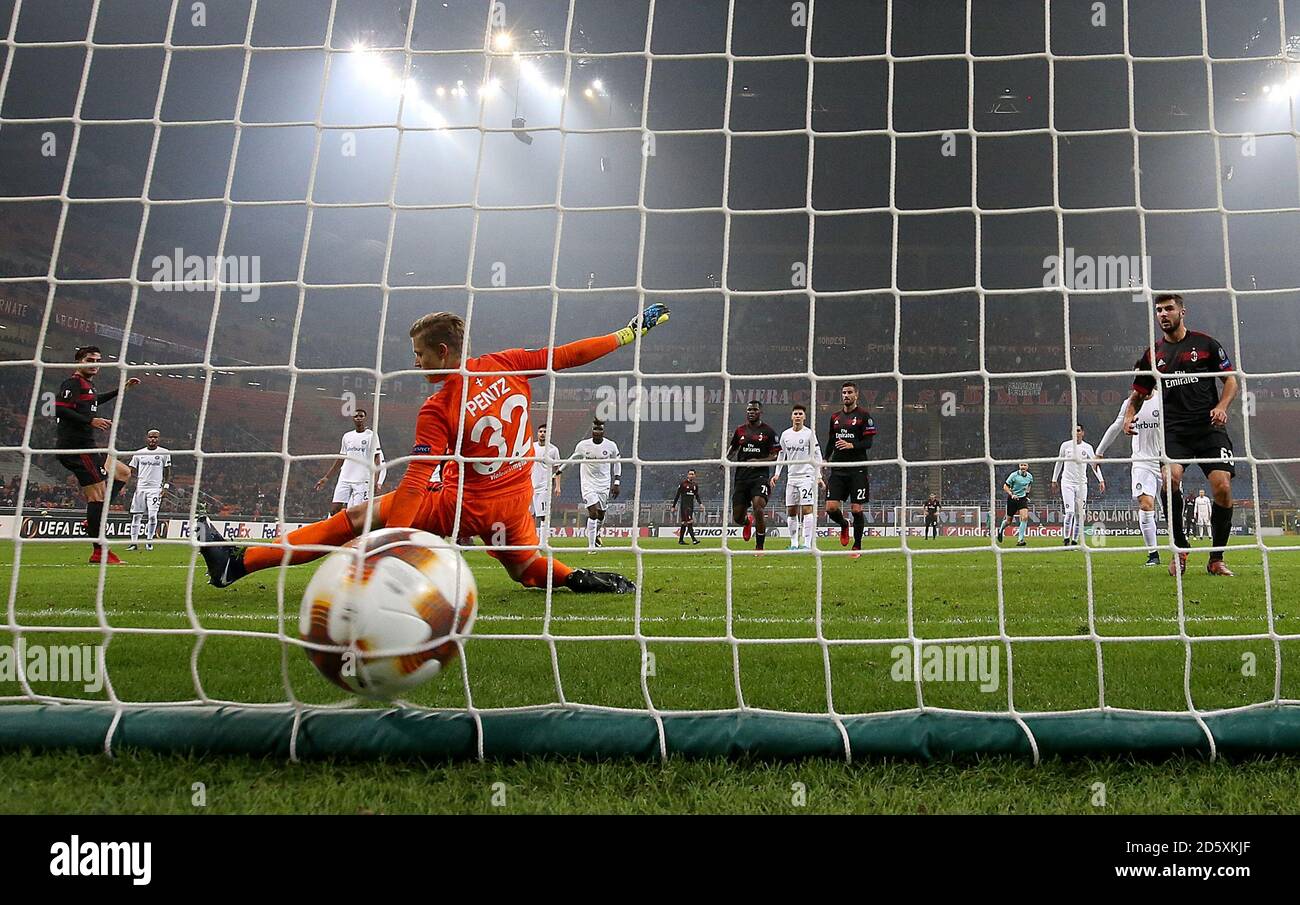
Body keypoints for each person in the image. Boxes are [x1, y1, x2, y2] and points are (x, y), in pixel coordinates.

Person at [198, 305, 670, 594]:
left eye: (420, 354)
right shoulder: (505, 364)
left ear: (443, 352)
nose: (415, 362)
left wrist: (385, 547)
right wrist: (627, 334)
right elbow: (570, 354)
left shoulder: (438, 405)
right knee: (526, 572)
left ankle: (238, 564)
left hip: (465, 504)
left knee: (355, 520)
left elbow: (416, 483)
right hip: (516, 500)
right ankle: (574, 577)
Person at [1123, 293, 1238, 576]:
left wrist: (1222, 406)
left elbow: (1231, 380)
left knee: (1222, 487)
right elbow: (1138, 393)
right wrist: (1128, 415)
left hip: (1209, 428)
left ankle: (1216, 558)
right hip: (1175, 432)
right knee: (1169, 479)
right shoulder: (1154, 354)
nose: (1163, 314)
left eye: (1169, 309)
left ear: (1182, 312)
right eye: (1158, 310)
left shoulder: (1206, 344)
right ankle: (1180, 547)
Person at [53, 345, 141, 564]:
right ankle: (99, 551)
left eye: (98, 360)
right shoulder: (72, 383)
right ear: (79, 362)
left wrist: (122, 390)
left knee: (123, 472)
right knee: (98, 497)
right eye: (90, 360)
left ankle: (93, 520)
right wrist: (90, 420)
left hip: (88, 446)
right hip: (76, 448)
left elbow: (94, 400)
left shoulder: (88, 386)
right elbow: (60, 408)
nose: (95, 364)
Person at [1096, 394, 1166, 566]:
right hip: (1142, 462)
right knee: (1145, 505)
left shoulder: (1164, 399)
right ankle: (1153, 554)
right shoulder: (1130, 404)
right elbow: (1116, 426)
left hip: (1166, 461)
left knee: (1171, 511)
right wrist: (1099, 451)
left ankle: (1180, 551)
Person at [824, 382, 877, 557]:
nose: (846, 395)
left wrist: (851, 445)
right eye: (844, 392)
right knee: (831, 508)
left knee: (856, 509)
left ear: (856, 395)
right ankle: (844, 524)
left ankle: (857, 546)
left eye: (849, 392)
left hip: (857, 470)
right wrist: (825, 458)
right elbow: (832, 440)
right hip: (838, 469)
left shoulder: (864, 416)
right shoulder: (835, 417)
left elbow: (868, 443)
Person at [726, 400, 780, 552]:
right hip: (741, 477)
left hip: (760, 476)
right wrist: (725, 459)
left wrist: (759, 461)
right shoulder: (740, 431)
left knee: (758, 507)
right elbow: (733, 448)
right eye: (749, 410)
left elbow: (775, 456)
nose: (751, 412)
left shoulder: (769, 432)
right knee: (737, 517)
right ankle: (747, 522)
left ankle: (759, 546)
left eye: (754, 410)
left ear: (760, 412)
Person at [770, 404, 824, 551]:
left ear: (804, 417)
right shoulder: (785, 435)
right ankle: (794, 543)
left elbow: (817, 454)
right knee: (791, 511)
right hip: (791, 477)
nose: (798, 416)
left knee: (807, 509)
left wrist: (818, 475)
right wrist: (777, 474)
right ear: (791, 416)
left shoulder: (809, 434)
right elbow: (781, 454)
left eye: (801, 413)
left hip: (807, 476)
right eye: (796, 414)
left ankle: (807, 543)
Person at [315, 409, 382, 516]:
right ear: (353, 419)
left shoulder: (371, 436)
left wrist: (375, 481)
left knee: (357, 512)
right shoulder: (347, 436)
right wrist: (326, 477)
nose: (358, 418)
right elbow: (341, 458)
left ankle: (356, 533)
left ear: (365, 419)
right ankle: (335, 531)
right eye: (356, 416)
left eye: (361, 416)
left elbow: (377, 460)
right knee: (335, 509)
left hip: (362, 480)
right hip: (345, 477)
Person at [1050, 424, 1105, 547]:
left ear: (1083, 433)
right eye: (1074, 431)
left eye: (1079, 431)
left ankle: (1074, 541)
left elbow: (1093, 465)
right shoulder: (1065, 446)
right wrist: (1054, 479)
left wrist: (1101, 480)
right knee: (1069, 512)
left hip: (1081, 484)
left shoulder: (1088, 447)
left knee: (1080, 514)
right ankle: (1066, 539)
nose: (1077, 433)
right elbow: (1059, 462)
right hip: (1067, 483)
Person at [571, 419, 621, 552]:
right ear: (592, 430)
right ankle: (591, 547)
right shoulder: (583, 445)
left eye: (600, 429)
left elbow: (617, 463)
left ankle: (597, 534)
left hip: (604, 484)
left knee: (601, 514)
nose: (597, 432)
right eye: (595, 429)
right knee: (592, 513)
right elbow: (572, 458)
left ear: (603, 431)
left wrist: (616, 483)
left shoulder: (611, 445)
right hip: (588, 484)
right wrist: (558, 471)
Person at [127, 429, 171, 552]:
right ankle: (133, 543)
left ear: (159, 439)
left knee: (152, 516)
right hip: (140, 488)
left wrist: (165, 486)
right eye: (151, 437)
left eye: (155, 437)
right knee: (136, 516)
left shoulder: (164, 452)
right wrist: (128, 484)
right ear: (146, 438)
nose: (153, 439)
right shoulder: (139, 453)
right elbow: (131, 469)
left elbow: (167, 471)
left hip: (155, 489)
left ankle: (149, 542)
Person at [529, 423, 563, 532]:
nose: (542, 434)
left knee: (543, 516)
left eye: (545, 432)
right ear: (537, 434)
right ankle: (531, 540)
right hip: (530, 486)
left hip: (544, 487)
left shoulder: (553, 450)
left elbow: (558, 469)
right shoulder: (531, 447)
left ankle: (542, 541)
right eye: (540, 432)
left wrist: (558, 486)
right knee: (529, 516)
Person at [997, 463, 1033, 547]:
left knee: (1024, 517)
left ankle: (1020, 540)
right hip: (1012, 499)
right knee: (1008, 521)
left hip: (1022, 499)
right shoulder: (1013, 475)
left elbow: (1029, 486)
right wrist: (1011, 494)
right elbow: (1005, 486)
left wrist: (1026, 496)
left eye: (1025, 465)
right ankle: (1000, 530)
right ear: (1019, 466)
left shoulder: (1030, 476)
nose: (1023, 467)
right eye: (1021, 465)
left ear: (1027, 467)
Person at [671, 469, 703, 545]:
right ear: (687, 475)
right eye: (690, 474)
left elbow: (697, 495)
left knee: (684, 523)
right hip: (684, 506)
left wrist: (700, 504)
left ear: (695, 475)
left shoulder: (695, 485)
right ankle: (694, 540)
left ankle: (681, 540)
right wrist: (673, 506)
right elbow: (677, 495)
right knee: (689, 522)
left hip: (691, 506)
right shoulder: (683, 484)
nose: (691, 475)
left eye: (692, 474)